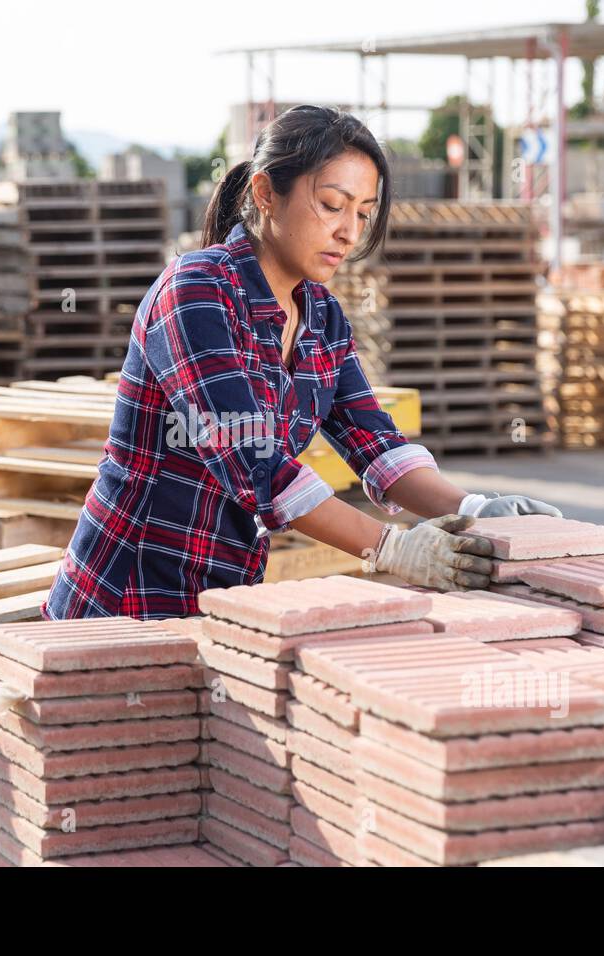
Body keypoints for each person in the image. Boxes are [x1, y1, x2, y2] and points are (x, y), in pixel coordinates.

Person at [41, 105, 561, 621]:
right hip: (120, 599)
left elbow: (375, 443)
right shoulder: (196, 292)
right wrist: (391, 549)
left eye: (363, 212)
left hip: (221, 597)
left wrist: (472, 510)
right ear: (266, 194)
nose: (350, 233)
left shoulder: (321, 316)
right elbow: (254, 465)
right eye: (333, 205)